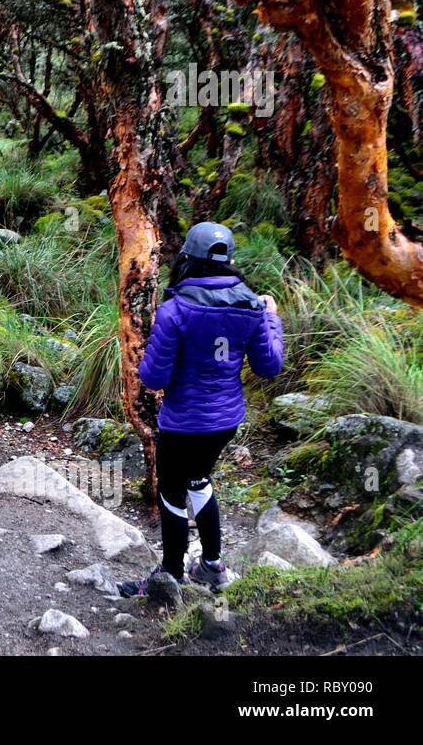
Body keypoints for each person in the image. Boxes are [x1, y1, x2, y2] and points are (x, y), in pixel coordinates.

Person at [118, 222, 284, 597]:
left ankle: (171, 574)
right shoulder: (252, 306)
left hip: (183, 423)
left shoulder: (175, 310)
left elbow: (155, 377)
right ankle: (211, 565)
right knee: (199, 480)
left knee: (172, 492)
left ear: (187, 259)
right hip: (225, 421)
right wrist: (272, 318)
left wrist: (147, 355)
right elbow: (269, 366)